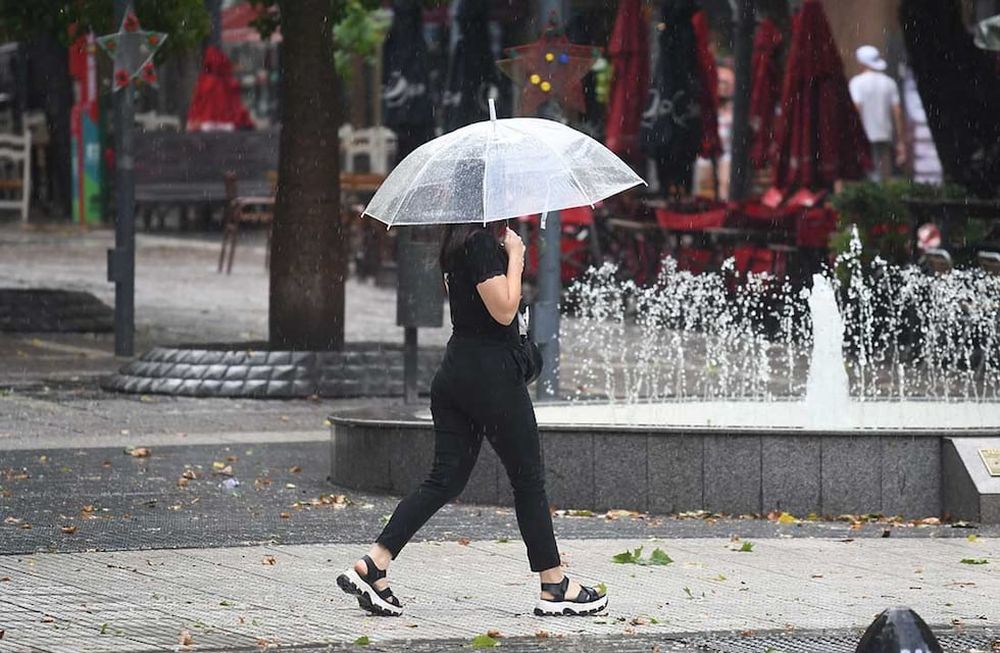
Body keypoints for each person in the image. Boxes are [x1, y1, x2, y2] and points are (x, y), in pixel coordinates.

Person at [337, 221, 608, 618]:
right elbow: (503, 311)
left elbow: (474, 310)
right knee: (528, 480)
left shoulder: (456, 241)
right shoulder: (480, 243)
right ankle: (554, 584)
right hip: (490, 379)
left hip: (456, 373)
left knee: (444, 479)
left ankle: (374, 563)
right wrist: (515, 259)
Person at [849, 45, 906, 182]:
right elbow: (897, 111)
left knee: (869, 173)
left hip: (864, 134)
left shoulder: (857, 83)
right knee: (881, 169)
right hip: (884, 133)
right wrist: (900, 139)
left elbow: (856, 108)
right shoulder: (889, 83)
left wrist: (851, 133)